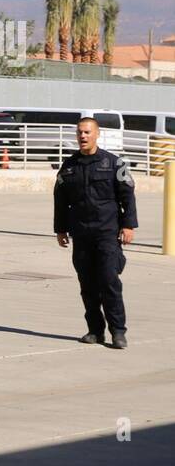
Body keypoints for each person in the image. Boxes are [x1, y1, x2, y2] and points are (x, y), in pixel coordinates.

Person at [54, 116, 137, 348]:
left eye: (87, 132)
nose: (83, 136)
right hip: (81, 233)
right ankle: (95, 330)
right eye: (80, 132)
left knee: (109, 281)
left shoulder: (114, 163)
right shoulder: (69, 166)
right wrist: (60, 229)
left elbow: (128, 195)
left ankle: (118, 332)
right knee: (87, 284)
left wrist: (128, 225)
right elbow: (60, 200)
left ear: (97, 134)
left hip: (107, 232)